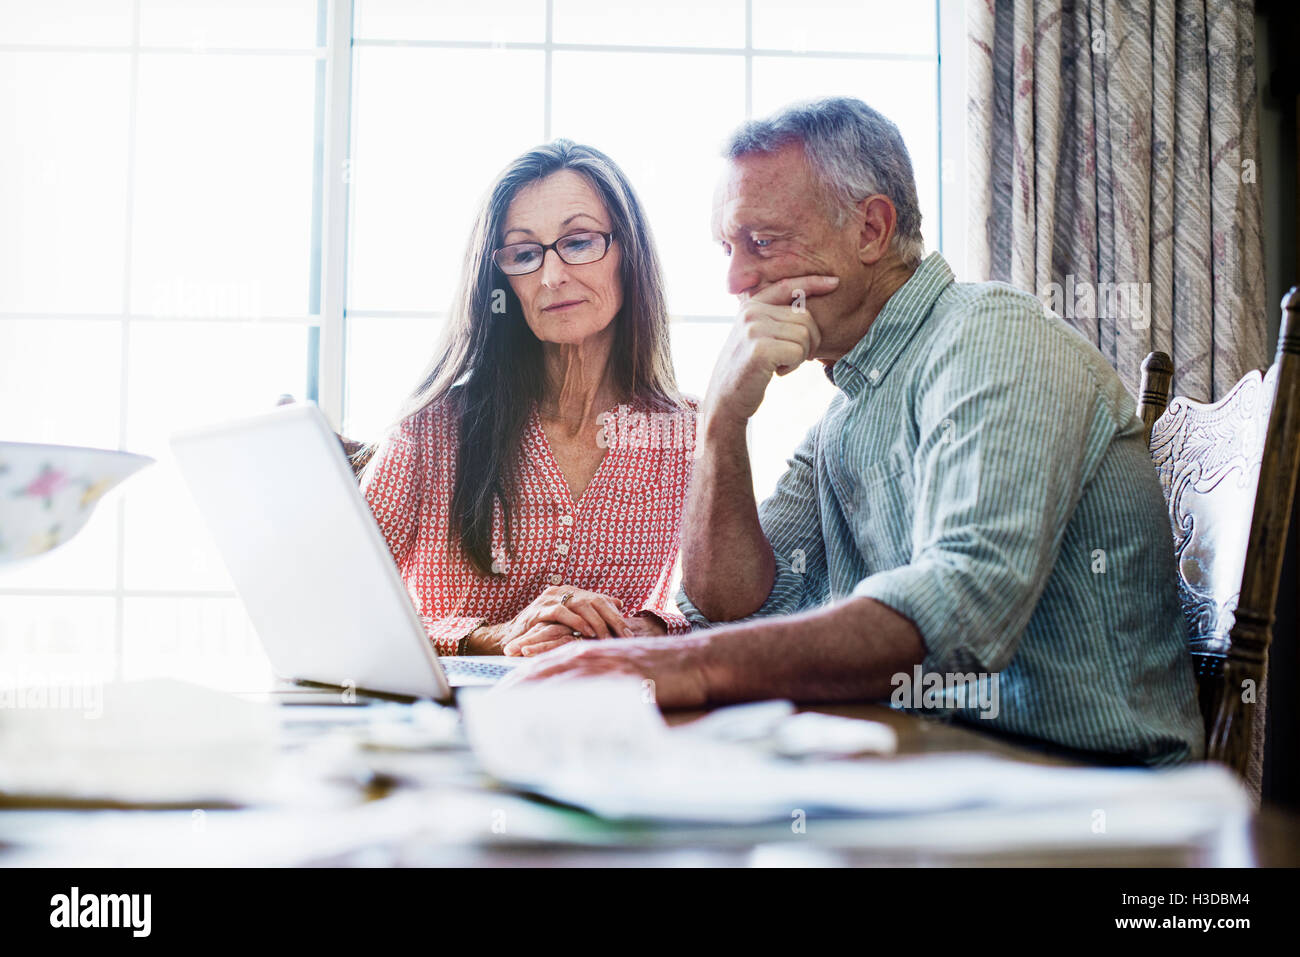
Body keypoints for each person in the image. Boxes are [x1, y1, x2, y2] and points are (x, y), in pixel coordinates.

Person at [504, 97, 1205, 766]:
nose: (736, 279)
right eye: (727, 246)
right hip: (940, 764)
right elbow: (728, 604)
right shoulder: (851, 401)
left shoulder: (991, 333)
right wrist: (721, 423)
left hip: (1085, 781)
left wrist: (669, 662)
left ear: (871, 229)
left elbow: (961, 609)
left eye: (763, 241)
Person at [356, 140, 697, 658]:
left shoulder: (689, 432)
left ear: (629, 254)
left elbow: (724, 609)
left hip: (612, 720)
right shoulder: (430, 428)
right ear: (502, 280)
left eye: (579, 242)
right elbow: (344, 609)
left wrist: (649, 627)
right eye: (523, 253)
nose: (552, 276)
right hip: (455, 727)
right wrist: (486, 638)